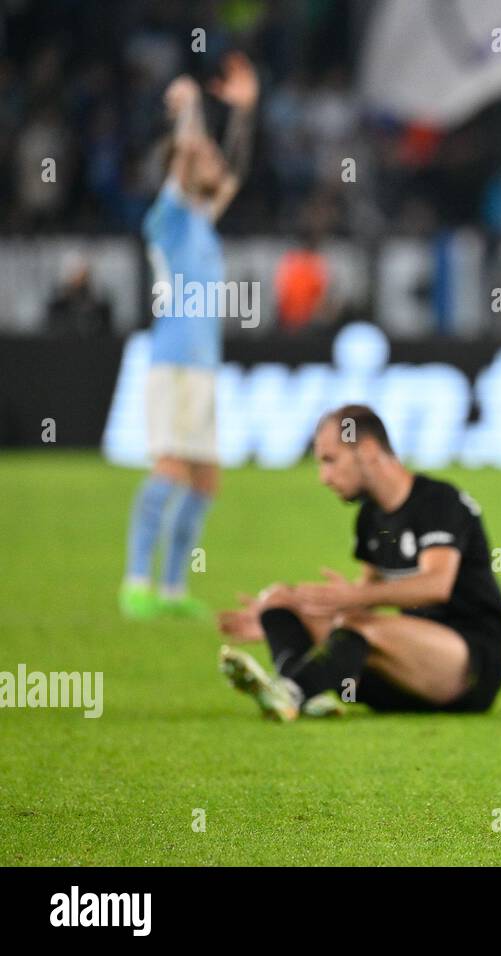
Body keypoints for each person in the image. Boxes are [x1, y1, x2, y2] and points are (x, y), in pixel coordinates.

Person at [216, 405, 501, 721]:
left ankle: (291, 690)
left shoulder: (439, 502)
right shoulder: (371, 517)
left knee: (358, 626)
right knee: (279, 600)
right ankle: (305, 693)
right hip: (408, 666)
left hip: (470, 666)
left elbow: (436, 585)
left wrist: (352, 596)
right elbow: (367, 597)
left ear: (368, 451)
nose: (324, 477)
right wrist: (293, 619)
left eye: (330, 460)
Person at [119, 53, 258, 619]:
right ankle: (135, 583)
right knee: (171, 468)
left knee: (205, 480)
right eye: (205, 154)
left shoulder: (200, 220)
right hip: (174, 361)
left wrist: (243, 113)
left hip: (200, 364)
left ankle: (173, 590)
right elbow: (187, 157)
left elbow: (234, 172)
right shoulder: (170, 219)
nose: (215, 159)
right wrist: (191, 109)